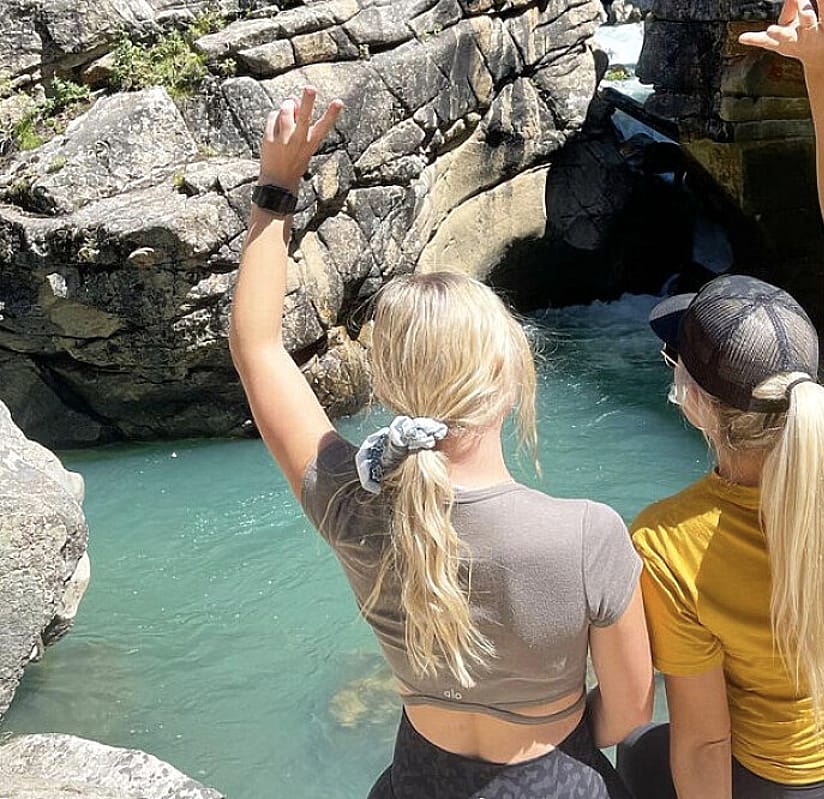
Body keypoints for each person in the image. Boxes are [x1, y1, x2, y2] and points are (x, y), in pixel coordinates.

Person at [229, 87, 654, 799]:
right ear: (506, 373)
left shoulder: (352, 504)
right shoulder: (589, 534)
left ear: (389, 386)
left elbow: (258, 348)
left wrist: (276, 188)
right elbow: (631, 708)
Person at [617, 1, 824, 797]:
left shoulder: (669, 543)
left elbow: (708, 745)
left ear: (695, 398)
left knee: (640, 751)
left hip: (772, 784)